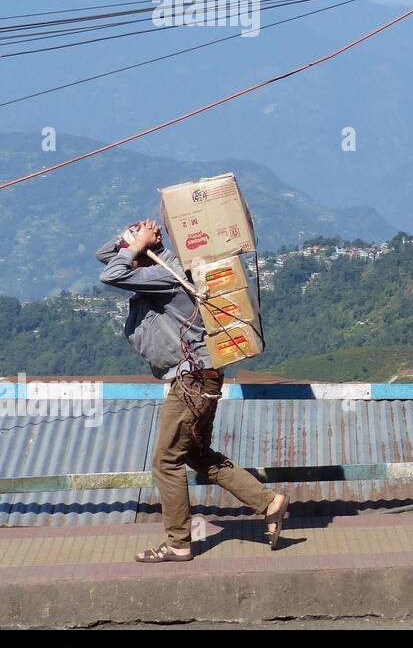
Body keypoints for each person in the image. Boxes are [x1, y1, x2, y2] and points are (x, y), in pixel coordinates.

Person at [96, 219, 287, 562]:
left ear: (144, 257)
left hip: (191, 381)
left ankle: (178, 543)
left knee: (166, 461)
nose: (125, 254)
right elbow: (106, 257)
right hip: (201, 377)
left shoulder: (167, 277)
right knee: (197, 455)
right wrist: (137, 240)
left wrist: (138, 244)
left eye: (131, 250)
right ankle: (268, 502)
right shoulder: (164, 271)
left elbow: (110, 274)